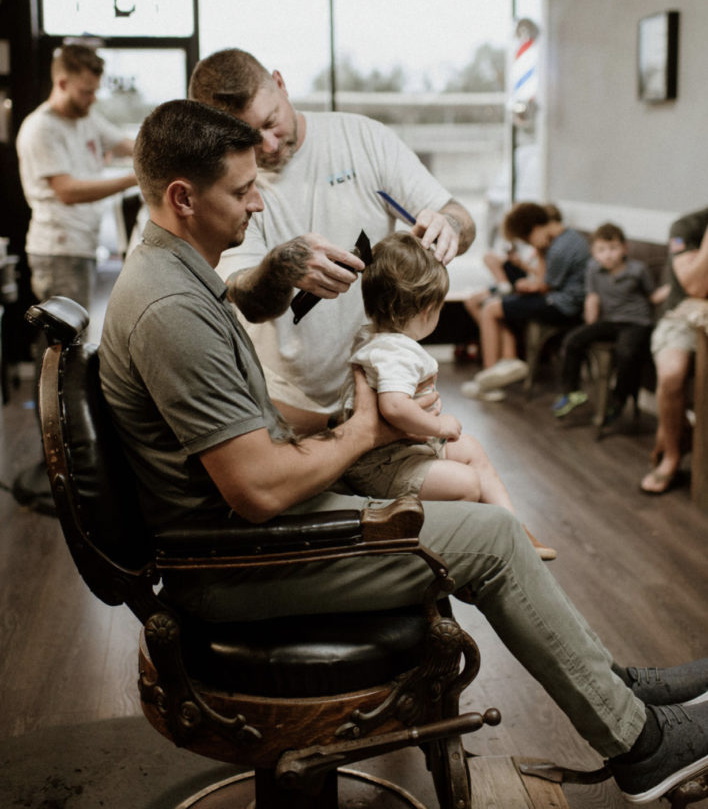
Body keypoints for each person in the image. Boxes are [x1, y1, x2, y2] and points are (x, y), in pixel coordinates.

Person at [98, 99, 708, 806]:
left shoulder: (176, 281)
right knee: (495, 537)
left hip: (244, 539)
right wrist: (367, 431)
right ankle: (639, 745)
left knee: (480, 518)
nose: (258, 203)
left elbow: (251, 438)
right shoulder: (171, 308)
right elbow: (257, 490)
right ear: (182, 198)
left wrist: (341, 419)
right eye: (241, 191)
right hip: (239, 564)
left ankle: (612, 687)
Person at [188, 48, 476, 434]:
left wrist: (451, 227)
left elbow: (459, 217)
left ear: (280, 83)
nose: (269, 146)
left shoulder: (362, 138)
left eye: (272, 122)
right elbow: (248, 299)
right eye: (247, 138)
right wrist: (278, 268)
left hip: (376, 384)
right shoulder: (230, 184)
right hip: (282, 401)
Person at [341, 231, 557, 559]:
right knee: (466, 483)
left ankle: (513, 529)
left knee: (471, 449)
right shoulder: (396, 352)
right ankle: (456, 550)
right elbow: (394, 406)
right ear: (428, 309)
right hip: (382, 465)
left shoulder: (376, 337)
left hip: (399, 451)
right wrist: (439, 428)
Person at [16, 43, 137, 312]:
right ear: (61, 83)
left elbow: (127, 145)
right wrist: (135, 178)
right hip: (58, 250)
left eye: (95, 91)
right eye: (86, 91)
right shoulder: (41, 128)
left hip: (82, 245)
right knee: (63, 344)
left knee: (71, 340)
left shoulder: (87, 119)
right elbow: (67, 191)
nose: (93, 98)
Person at [462, 202, 589, 402]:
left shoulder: (559, 248)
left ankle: (488, 379)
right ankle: (505, 362)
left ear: (536, 229)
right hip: (560, 300)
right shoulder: (570, 238)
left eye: (528, 240)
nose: (530, 244)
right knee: (498, 306)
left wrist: (528, 283)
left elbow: (546, 285)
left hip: (561, 305)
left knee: (490, 309)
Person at [552, 222, 668, 422]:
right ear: (593, 252)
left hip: (637, 322)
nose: (608, 255)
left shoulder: (637, 270)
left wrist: (672, 287)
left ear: (624, 248)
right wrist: (589, 324)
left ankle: (618, 399)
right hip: (610, 321)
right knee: (573, 340)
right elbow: (592, 297)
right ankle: (571, 392)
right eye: (601, 250)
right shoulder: (593, 269)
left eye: (613, 248)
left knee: (626, 352)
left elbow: (653, 297)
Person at [642, 207, 708, 495]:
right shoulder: (687, 226)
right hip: (680, 318)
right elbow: (696, 285)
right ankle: (671, 456)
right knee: (671, 374)